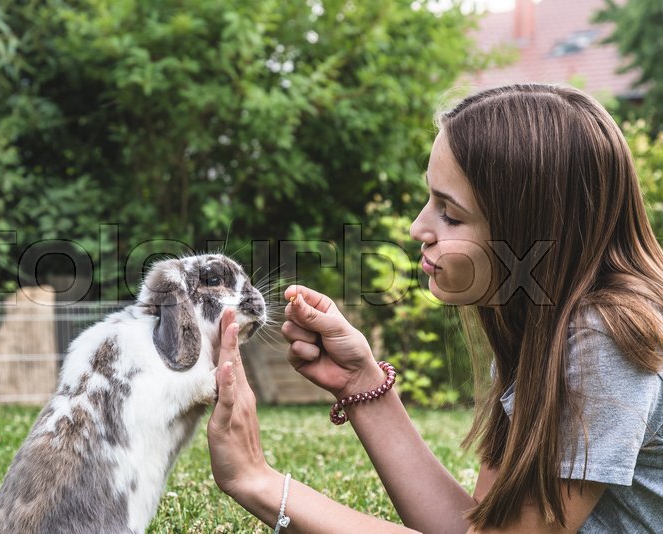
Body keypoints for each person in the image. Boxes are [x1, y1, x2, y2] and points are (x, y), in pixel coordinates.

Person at [206, 84, 663, 533]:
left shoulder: (606, 339)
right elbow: (471, 526)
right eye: (430, 199)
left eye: (451, 213)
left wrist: (260, 483)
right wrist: (360, 380)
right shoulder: (540, 329)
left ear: (527, 231)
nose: (416, 227)